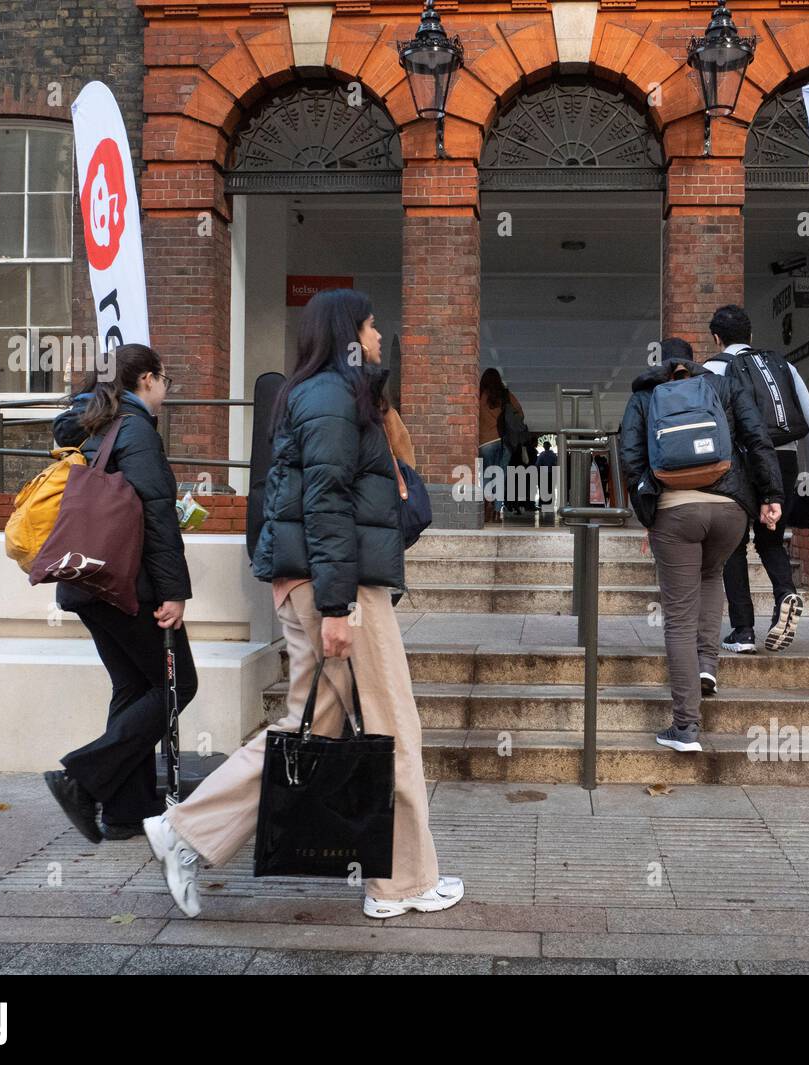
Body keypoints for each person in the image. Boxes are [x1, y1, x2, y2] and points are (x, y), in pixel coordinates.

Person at [142, 288, 463, 921]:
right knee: (392, 727)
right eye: (371, 328)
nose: (377, 339)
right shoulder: (332, 399)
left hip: (317, 585)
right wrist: (340, 607)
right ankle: (401, 884)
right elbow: (327, 504)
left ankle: (186, 833)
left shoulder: (321, 395)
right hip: (335, 590)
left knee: (308, 731)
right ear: (348, 333)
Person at [43, 343, 196, 843]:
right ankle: (81, 779)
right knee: (179, 685)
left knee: (133, 687)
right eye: (164, 380)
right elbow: (153, 515)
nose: (166, 391)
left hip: (86, 581)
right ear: (146, 380)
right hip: (128, 586)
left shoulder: (91, 426)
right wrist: (173, 592)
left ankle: (127, 812)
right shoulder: (135, 432)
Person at [619, 339, 784, 753]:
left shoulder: (644, 394)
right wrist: (771, 494)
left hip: (676, 511)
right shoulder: (724, 386)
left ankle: (685, 728)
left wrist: (647, 505)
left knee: (676, 619)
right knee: (712, 578)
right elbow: (757, 437)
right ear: (692, 359)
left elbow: (631, 455)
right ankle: (706, 667)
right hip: (730, 510)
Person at [702, 305, 809, 654]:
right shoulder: (782, 365)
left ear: (716, 337)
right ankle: (786, 594)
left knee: (732, 546)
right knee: (771, 540)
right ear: (751, 336)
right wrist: (807, 469)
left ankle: (742, 632)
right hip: (781, 461)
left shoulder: (712, 369)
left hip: (737, 465)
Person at [478, 368, 525, 521]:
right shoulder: (505, 395)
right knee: (500, 476)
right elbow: (520, 413)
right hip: (504, 441)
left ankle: (488, 502)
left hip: (484, 442)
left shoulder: (478, 396)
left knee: (486, 475)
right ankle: (497, 512)